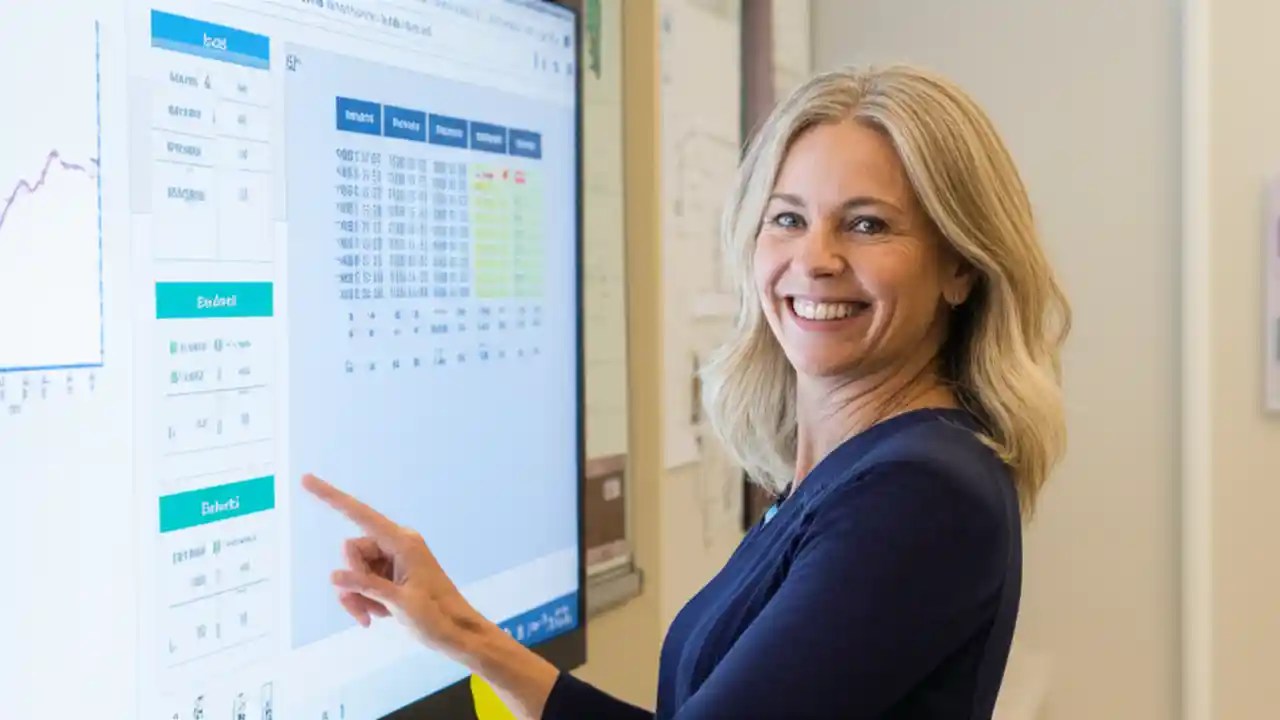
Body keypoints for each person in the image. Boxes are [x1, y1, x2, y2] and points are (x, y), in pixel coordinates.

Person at [301, 63, 1070, 719]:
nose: (815, 259)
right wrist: (461, 631)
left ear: (959, 265)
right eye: (788, 218)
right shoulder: (849, 473)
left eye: (867, 225)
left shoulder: (917, 494)